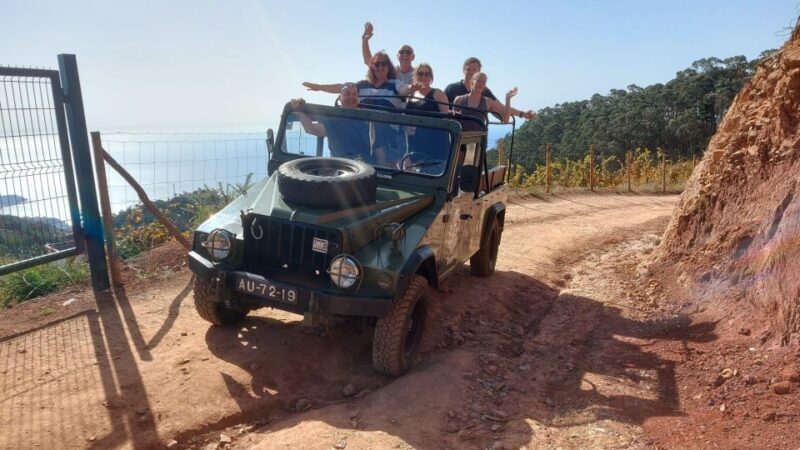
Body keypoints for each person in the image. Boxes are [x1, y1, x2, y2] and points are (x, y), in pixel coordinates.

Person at [303, 52, 421, 166]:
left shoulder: (394, 84)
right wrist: (318, 87)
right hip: (364, 130)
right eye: (377, 64)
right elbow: (342, 87)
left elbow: (403, 89)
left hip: (387, 134)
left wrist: (411, 88)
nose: (380, 67)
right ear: (372, 67)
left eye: (384, 64)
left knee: (388, 165)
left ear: (388, 67)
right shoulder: (362, 85)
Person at [289, 84, 373, 162]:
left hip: (365, 166)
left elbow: (379, 149)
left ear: (358, 98)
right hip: (341, 166)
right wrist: (300, 108)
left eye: (354, 94)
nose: (351, 97)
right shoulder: (332, 120)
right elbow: (310, 129)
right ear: (340, 98)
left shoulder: (368, 119)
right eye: (347, 94)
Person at [445, 57, 536, 120]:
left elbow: (501, 108)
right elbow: (441, 110)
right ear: (463, 71)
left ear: (479, 72)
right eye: (468, 69)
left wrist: (523, 114)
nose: (471, 73)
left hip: (477, 138)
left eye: (474, 70)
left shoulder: (484, 91)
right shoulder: (452, 89)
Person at [404, 64, 451, 166]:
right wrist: (406, 126)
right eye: (420, 74)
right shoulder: (410, 96)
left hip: (434, 146)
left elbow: (446, 121)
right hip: (414, 145)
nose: (423, 77)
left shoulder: (438, 94)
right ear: (415, 76)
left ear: (431, 77)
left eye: (427, 74)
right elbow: (406, 118)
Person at [453, 72, 518, 131]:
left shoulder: (488, 102)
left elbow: (505, 120)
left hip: (477, 141)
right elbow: (453, 122)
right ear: (472, 82)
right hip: (460, 139)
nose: (481, 84)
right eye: (478, 81)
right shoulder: (459, 100)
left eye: (483, 82)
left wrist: (508, 99)